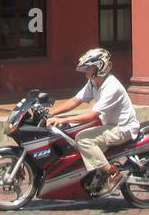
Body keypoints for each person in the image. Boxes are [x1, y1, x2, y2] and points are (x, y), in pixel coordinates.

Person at [46, 47, 140, 195]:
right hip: (109, 125)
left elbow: (93, 115)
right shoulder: (94, 82)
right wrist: (51, 112)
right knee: (73, 131)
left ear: (99, 67)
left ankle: (113, 173)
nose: (86, 70)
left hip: (123, 129)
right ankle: (97, 172)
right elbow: (76, 100)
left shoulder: (112, 87)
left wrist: (62, 119)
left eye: (89, 67)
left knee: (83, 139)